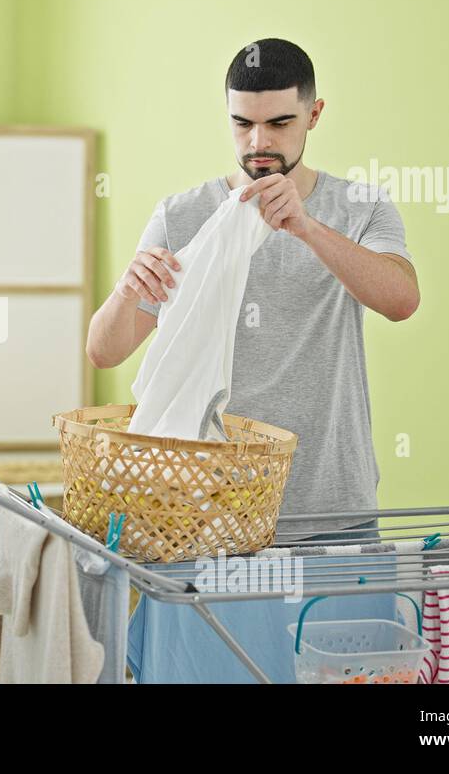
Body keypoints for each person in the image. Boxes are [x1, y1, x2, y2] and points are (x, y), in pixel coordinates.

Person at [85, 38, 420, 682]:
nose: (257, 141)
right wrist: (130, 287)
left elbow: (401, 298)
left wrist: (306, 227)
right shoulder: (183, 214)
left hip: (331, 508)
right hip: (205, 517)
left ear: (314, 115)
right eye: (242, 122)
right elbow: (106, 349)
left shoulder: (361, 207)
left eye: (278, 122)